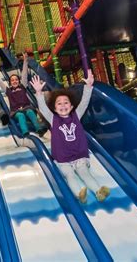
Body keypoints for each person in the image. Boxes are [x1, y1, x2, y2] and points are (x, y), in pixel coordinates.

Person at [30, 70, 110, 204]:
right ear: (54, 108)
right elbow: (43, 108)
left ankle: (98, 191)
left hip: (79, 155)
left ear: (72, 106)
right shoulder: (53, 119)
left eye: (66, 103)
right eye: (59, 103)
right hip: (62, 158)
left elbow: (84, 102)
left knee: (84, 172)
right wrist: (38, 93)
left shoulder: (76, 116)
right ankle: (79, 194)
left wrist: (89, 87)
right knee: (70, 175)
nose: (63, 105)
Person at [0, 52, 47, 137]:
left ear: (19, 81)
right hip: (16, 112)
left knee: (30, 111)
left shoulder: (22, 86)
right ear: (10, 83)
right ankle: (25, 133)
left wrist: (25, 61)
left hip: (27, 108)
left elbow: (24, 74)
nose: (15, 81)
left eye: (16, 80)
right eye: (12, 80)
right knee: (20, 115)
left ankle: (39, 129)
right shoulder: (8, 90)